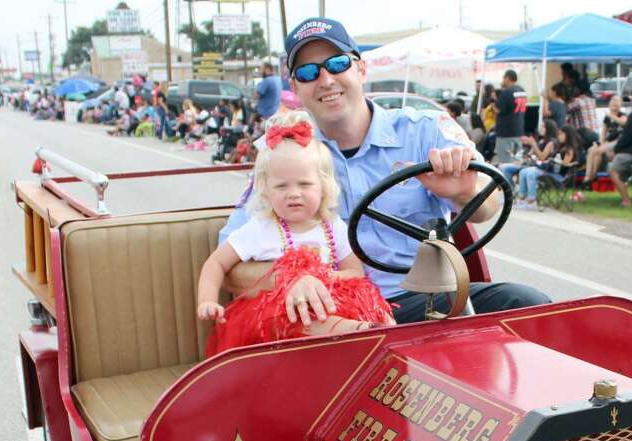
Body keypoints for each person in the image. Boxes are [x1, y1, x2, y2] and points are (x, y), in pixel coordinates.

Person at [219, 16, 548, 327]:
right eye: (308, 72)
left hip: (424, 299)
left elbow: (488, 206)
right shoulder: (285, 154)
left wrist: (464, 193)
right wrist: (294, 279)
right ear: (295, 85)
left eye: (338, 64)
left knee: (528, 305)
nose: (326, 80)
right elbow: (231, 269)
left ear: (361, 68)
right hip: (334, 312)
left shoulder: (424, 131)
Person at [196, 112, 394, 355]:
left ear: (323, 187)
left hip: (328, 301)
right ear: (265, 191)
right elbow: (216, 263)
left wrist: (323, 278)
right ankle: (358, 332)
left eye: (304, 184)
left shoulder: (333, 226)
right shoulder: (260, 228)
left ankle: (379, 333)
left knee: (369, 303)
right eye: (281, 186)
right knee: (299, 316)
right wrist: (207, 300)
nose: (293, 193)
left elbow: (355, 272)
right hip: (276, 318)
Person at [514, 124, 582, 210]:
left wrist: (554, 161)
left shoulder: (569, 149)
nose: (559, 136)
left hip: (558, 175)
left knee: (531, 173)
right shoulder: (561, 146)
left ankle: (532, 201)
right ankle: (522, 199)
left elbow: (564, 164)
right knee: (523, 172)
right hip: (549, 171)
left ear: (567, 135)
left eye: (561, 134)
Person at [494, 70, 527, 164]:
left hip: (506, 131)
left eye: (503, 78)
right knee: (517, 160)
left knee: (505, 161)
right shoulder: (522, 91)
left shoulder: (507, 92)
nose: (502, 80)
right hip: (518, 130)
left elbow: (498, 109)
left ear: (507, 78)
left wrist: (493, 104)